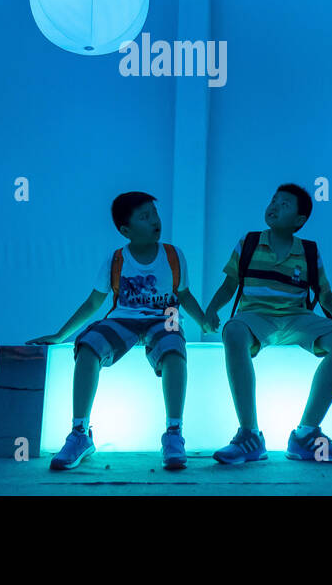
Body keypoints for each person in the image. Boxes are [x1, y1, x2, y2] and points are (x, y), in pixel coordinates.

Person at [29, 192, 211, 471]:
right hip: (122, 318)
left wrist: (204, 321)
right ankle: (80, 434)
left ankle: (174, 434)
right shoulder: (116, 259)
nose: (154, 221)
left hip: (167, 316)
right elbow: (94, 301)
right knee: (88, 346)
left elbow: (183, 295)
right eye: (145, 216)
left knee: (174, 350)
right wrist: (60, 335)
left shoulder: (173, 255)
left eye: (154, 213)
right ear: (126, 230)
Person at [202, 184, 332, 464]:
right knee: (232, 329)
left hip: (298, 318)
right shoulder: (249, 242)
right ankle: (249, 436)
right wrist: (210, 310)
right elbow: (230, 283)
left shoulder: (308, 251)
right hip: (255, 317)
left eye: (284, 204)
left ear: (299, 220)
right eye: (273, 200)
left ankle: (306, 435)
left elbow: (326, 296)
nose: (274, 206)